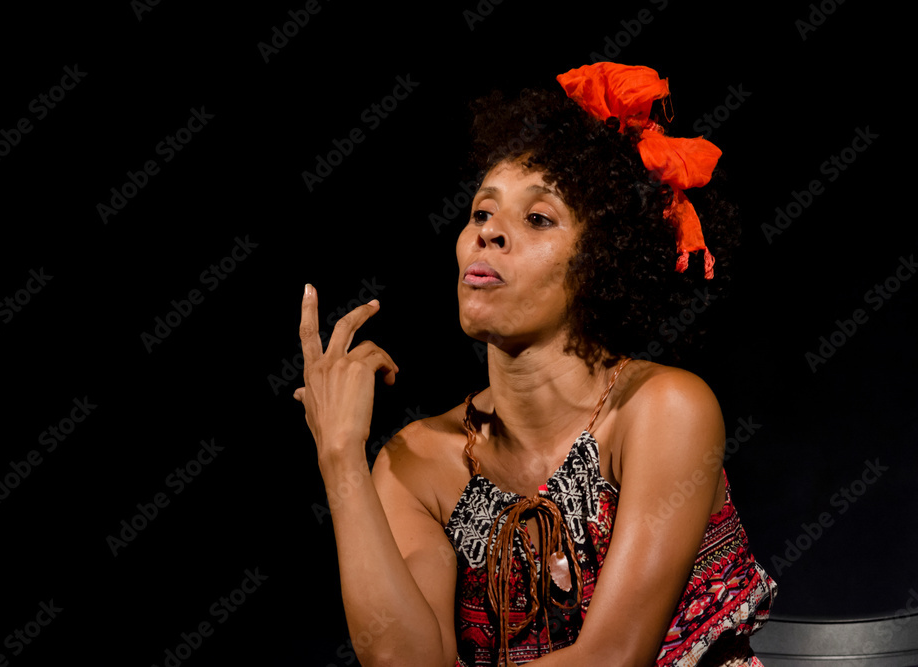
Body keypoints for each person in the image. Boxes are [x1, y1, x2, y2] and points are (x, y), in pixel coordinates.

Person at [294, 62, 778, 666]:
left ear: (599, 265)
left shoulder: (663, 410)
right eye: (481, 213)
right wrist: (341, 458)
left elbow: (611, 660)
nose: (489, 235)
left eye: (538, 218)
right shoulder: (416, 461)